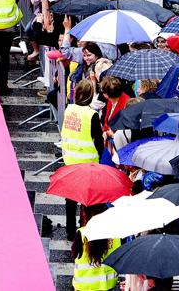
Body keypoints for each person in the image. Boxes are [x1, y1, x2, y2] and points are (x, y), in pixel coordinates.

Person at [60, 80, 103, 241]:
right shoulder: (92, 115)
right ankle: (85, 227)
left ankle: (70, 231)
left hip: (70, 160)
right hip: (88, 163)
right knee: (88, 200)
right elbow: (98, 141)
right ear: (91, 95)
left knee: (70, 198)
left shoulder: (69, 109)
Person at [71, 205, 121, 291]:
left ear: (85, 213)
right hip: (107, 284)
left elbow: (74, 254)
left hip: (85, 285)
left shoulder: (82, 234)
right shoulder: (115, 232)